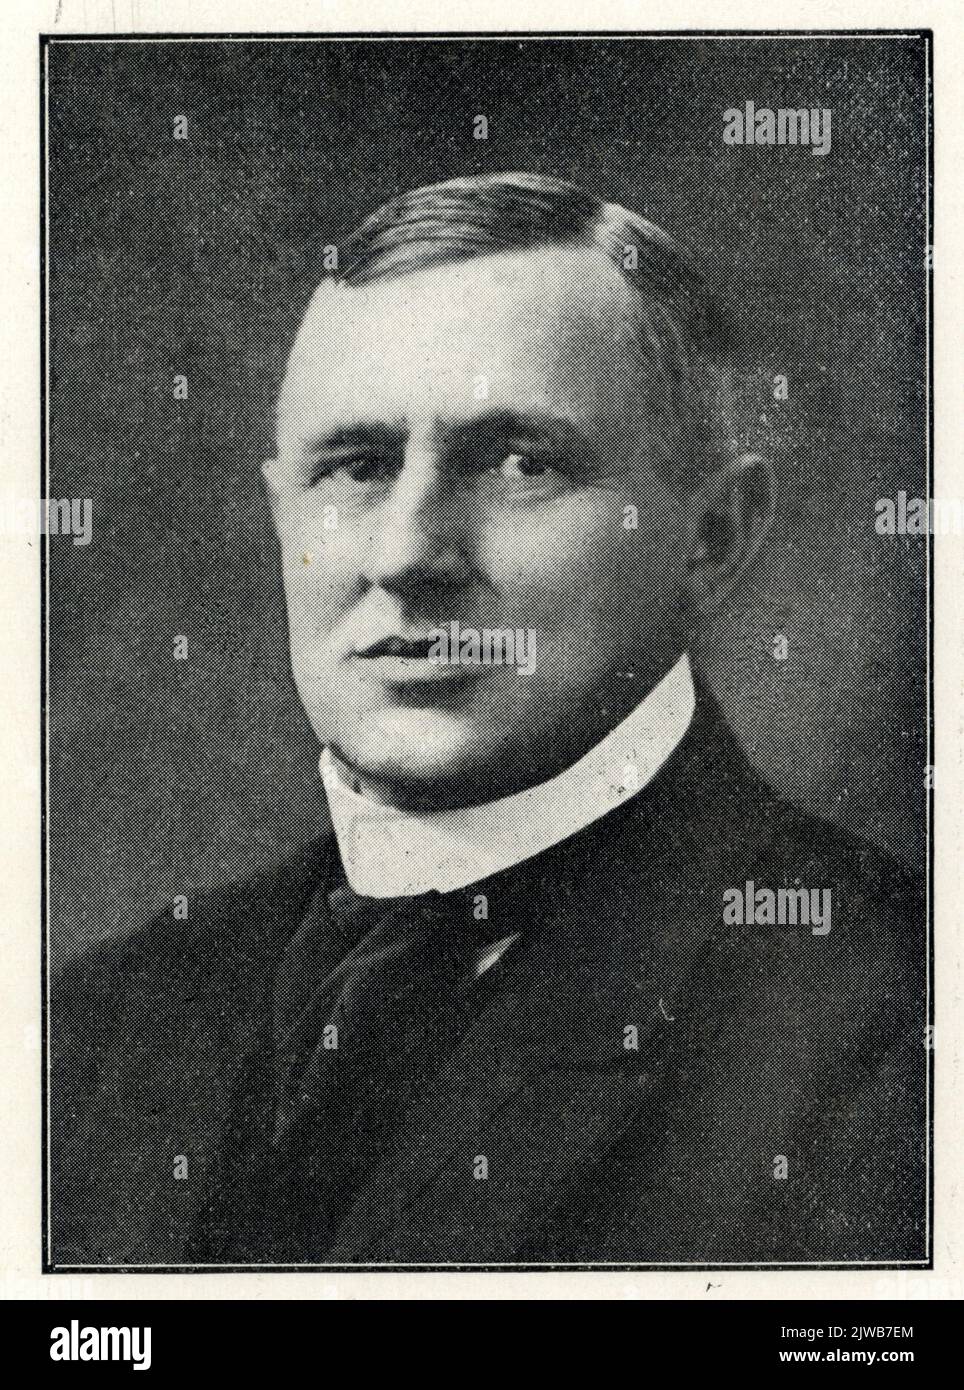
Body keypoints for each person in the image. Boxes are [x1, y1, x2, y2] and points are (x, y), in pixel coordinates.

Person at [49, 173, 925, 1267]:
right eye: (357, 466)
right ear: (284, 515)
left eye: (521, 462)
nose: (408, 552)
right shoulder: (93, 1023)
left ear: (712, 537)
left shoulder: (895, 1021)